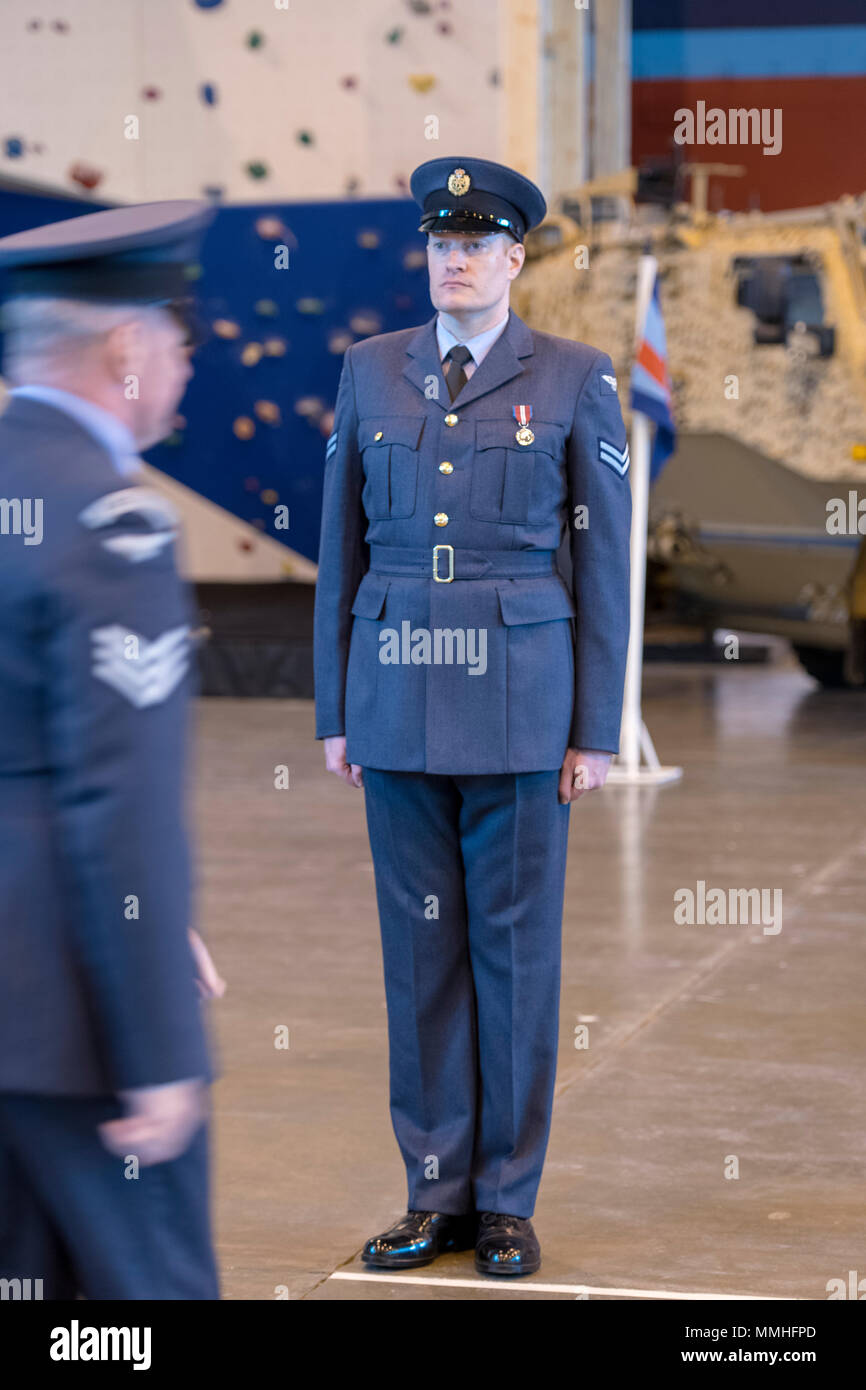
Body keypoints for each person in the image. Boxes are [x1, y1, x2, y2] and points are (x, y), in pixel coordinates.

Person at [314, 156, 632, 1276]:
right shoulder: (368, 371)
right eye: (438, 244)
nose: (452, 260)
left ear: (513, 258)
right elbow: (337, 549)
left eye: (473, 245)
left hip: (519, 710)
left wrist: (596, 727)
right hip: (394, 698)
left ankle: (504, 1199)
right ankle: (431, 1193)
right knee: (418, 960)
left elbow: (601, 568)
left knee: (511, 957)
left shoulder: (580, 376)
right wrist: (332, 707)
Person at [0, 200, 225, 1299]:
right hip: (65, 1018)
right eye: (177, 341)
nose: (182, 366)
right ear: (127, 349)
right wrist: (158, 1046)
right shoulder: (112, 523)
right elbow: (113, 803)